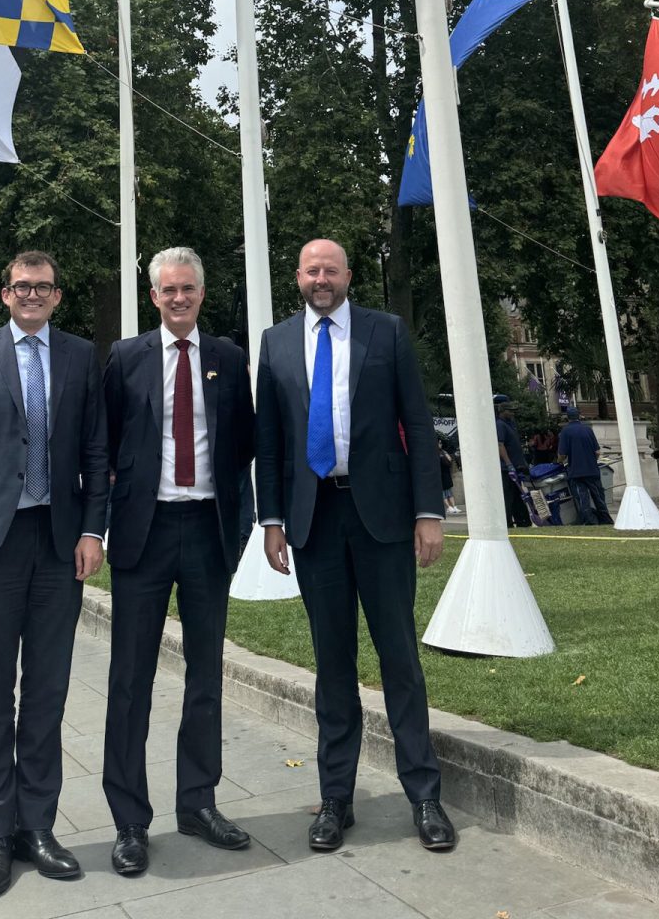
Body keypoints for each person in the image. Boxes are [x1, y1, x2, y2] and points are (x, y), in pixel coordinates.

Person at [256, 239, 455, 854]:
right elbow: (270, 439)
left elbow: (416, 422)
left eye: (332, 270)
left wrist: (428, 512)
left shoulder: (385, 331)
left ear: (348, 275)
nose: (322, 279)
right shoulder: (276, 342)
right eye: (312, 270)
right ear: (298, 277)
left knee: (400, 658)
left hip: (384, 519)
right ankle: (335, 800)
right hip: (314, 520)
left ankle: (424, 796)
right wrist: (271, 519)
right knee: (333, 665)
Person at [0, 249, 108, 899]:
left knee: (47, 692)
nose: (32, 294)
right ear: (5, 294)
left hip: (59, 543)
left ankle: (37, 827)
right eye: (21, 286)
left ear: (57, 296)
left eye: (43, 287)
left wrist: (93, 530)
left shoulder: (81, 357)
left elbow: (96, 450)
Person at [102, 246, 255, 878]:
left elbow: (243, 442)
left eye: (188, 288)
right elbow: (106, 441)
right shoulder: (125, 358)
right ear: (154, 296)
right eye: (168, 289)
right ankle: (129, 821)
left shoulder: (228, 358)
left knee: (205, 674)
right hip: (144, 531)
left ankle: (197, 802)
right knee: (130, 678)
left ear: (201, 293)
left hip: (207, 530)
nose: (179, 298)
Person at [558, 407, 613, 525]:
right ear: (579, 416)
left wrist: (559, 462)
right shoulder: (588, 430)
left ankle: (590, 521)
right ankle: (606, 520)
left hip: (576, 472)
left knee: (583, 498)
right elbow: (597, 452)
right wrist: (592, 461)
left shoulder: (565, 432)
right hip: (592, 470)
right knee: (598, 497)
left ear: (567, 417)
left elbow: (562, 454)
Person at [496, 406, 532, 529]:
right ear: (502, 411)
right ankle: (508, 523)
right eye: (509, 410)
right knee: (508, 497)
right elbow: (500, 445)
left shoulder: (510, 424)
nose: (512, 413)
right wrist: (508, 464)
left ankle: (523, 521)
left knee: (518, 495)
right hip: (507, 469)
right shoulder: (500, 425)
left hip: (516, 467)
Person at [438, 440, 460, 516]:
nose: (440, 444)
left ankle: (454, 506)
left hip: (446, 473)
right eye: (439, 443)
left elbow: (450, 459)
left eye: (441, 443)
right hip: (440, 474)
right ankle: (449, 507)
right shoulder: (435, 453)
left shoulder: (443, 451)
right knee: (443, 492)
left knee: (449, 491)